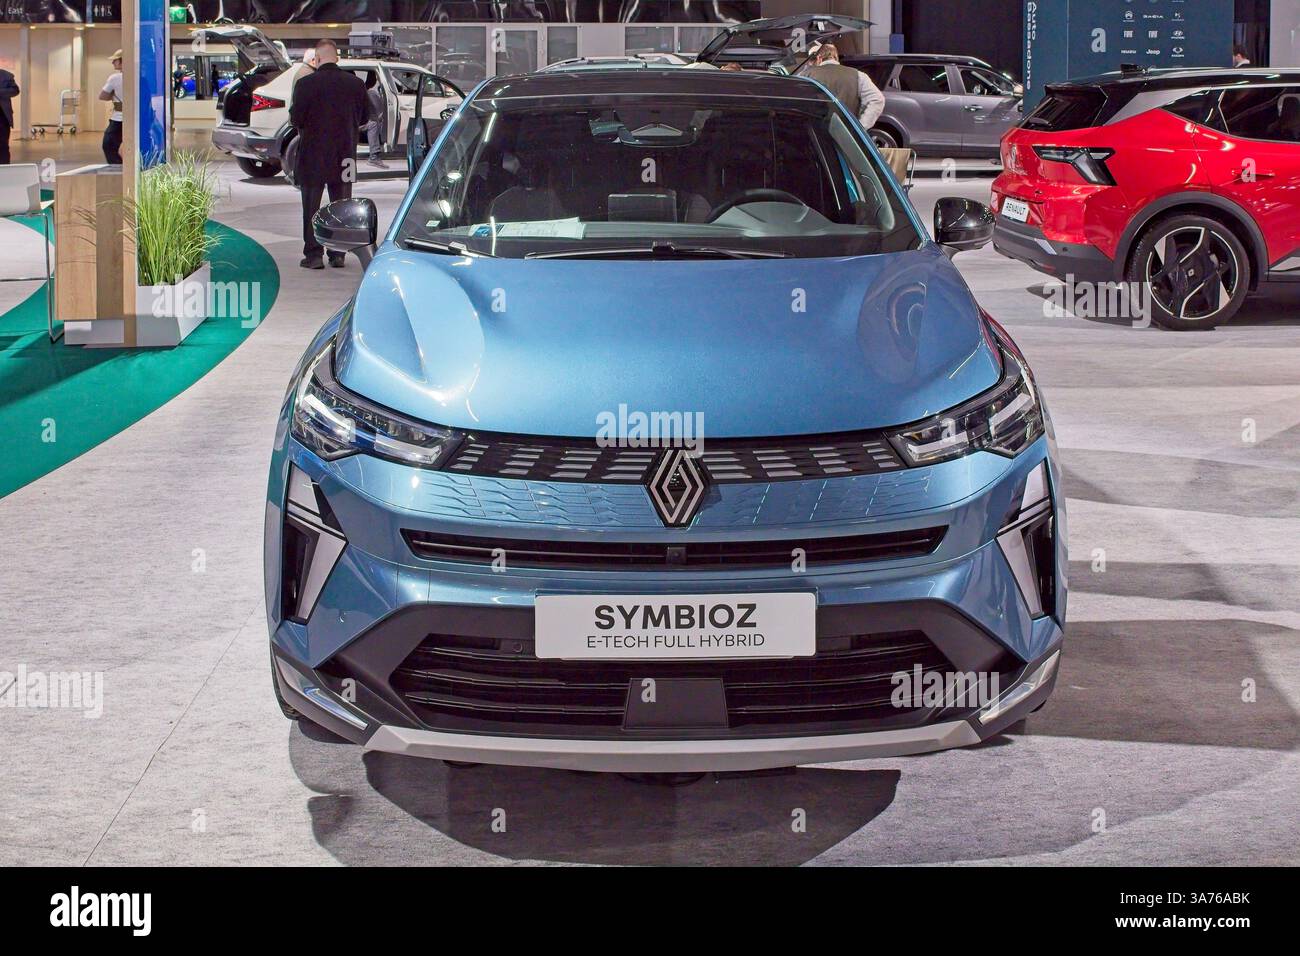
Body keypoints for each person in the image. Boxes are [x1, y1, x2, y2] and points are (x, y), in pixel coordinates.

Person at [289, 39, 367, 269]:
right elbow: (365, 119)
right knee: (341, 206)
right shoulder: (355, 85)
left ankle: (313, 255)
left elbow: (296, 119)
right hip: (345, 157)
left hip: (312, 156)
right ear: (337, 58)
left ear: (317, 59)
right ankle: (338, 254)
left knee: (311, 207)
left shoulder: (305, 84)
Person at [804, 43, 886, 132]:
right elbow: (877, 100)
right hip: (846, 136)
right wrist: (860, 127)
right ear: (836, 56)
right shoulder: (858, 75)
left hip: (813, 134)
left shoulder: (805, 75)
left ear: (819, 58)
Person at [98, 50, 124, 165]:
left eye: (115, 60)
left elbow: (102, 96)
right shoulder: (140, 76)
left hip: (119, 118)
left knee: (108, 145)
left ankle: (118, 169)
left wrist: (113, 94)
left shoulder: (115, 78)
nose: (113, 62)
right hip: (137, 119)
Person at [360, 72, 388, 169]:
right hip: (351, 122)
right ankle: (374, 157)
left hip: (347, 120)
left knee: (373, 122)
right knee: (373, 124)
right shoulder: (370, 93)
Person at [0, 65, 18, 165]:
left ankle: (4, 171)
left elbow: (15, 90)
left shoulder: (6, 75)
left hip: (2, 118)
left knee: (3, 146)